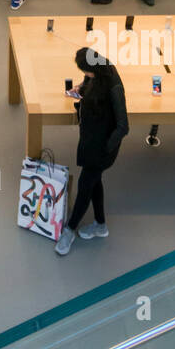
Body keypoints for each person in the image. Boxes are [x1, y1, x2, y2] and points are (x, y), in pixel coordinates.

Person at [55, 48, 129, 255]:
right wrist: (81, 89)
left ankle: (69, 231)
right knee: (95, 182)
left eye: (86, 72)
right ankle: (100, 225)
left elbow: (123, 126)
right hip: (90, 139)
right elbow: (89, 84)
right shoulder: (97, 72)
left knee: (84, 186)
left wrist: (104, 150)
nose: (85, 75)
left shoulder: (113, 86)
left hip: (102, 147)